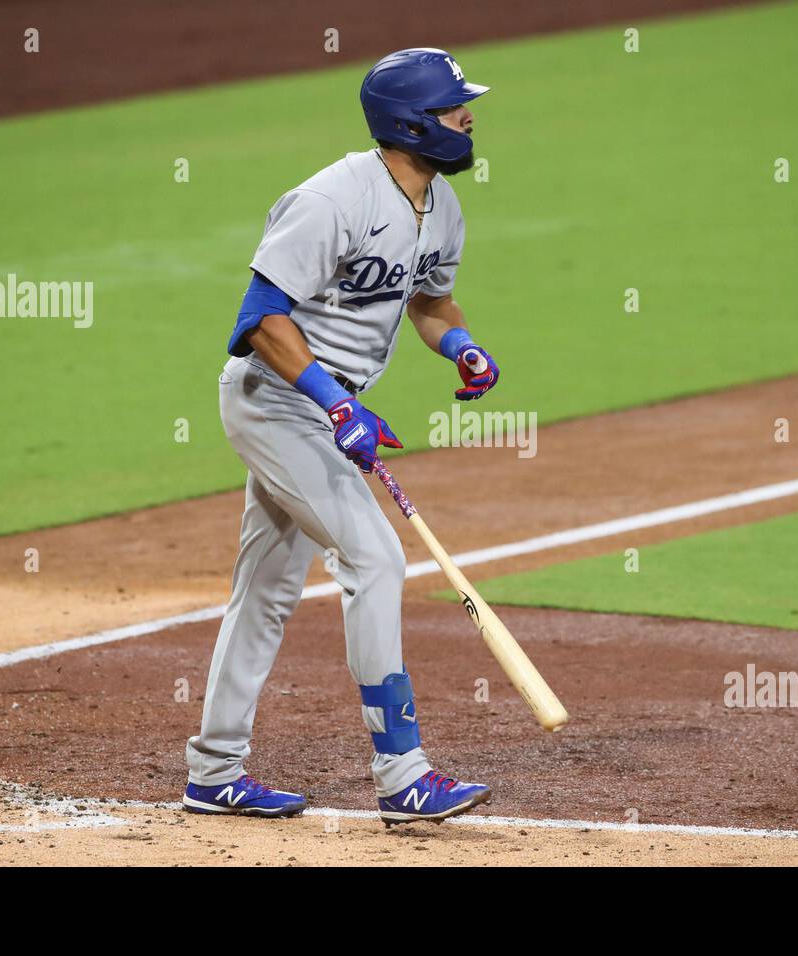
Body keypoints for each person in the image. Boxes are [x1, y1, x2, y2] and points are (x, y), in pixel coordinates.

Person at [182, 48, 500, 826]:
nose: (469, 118)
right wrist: (333, 401)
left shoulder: (442, 206)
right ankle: (402, 773)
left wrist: (458, 343)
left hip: (326, 408)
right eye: (455, 107)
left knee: (265, 589)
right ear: (410, 122)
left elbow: (430, 302)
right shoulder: (333, 199)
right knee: (376, 558)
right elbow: (258, 318)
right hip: (276, 399)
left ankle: (214, 770)